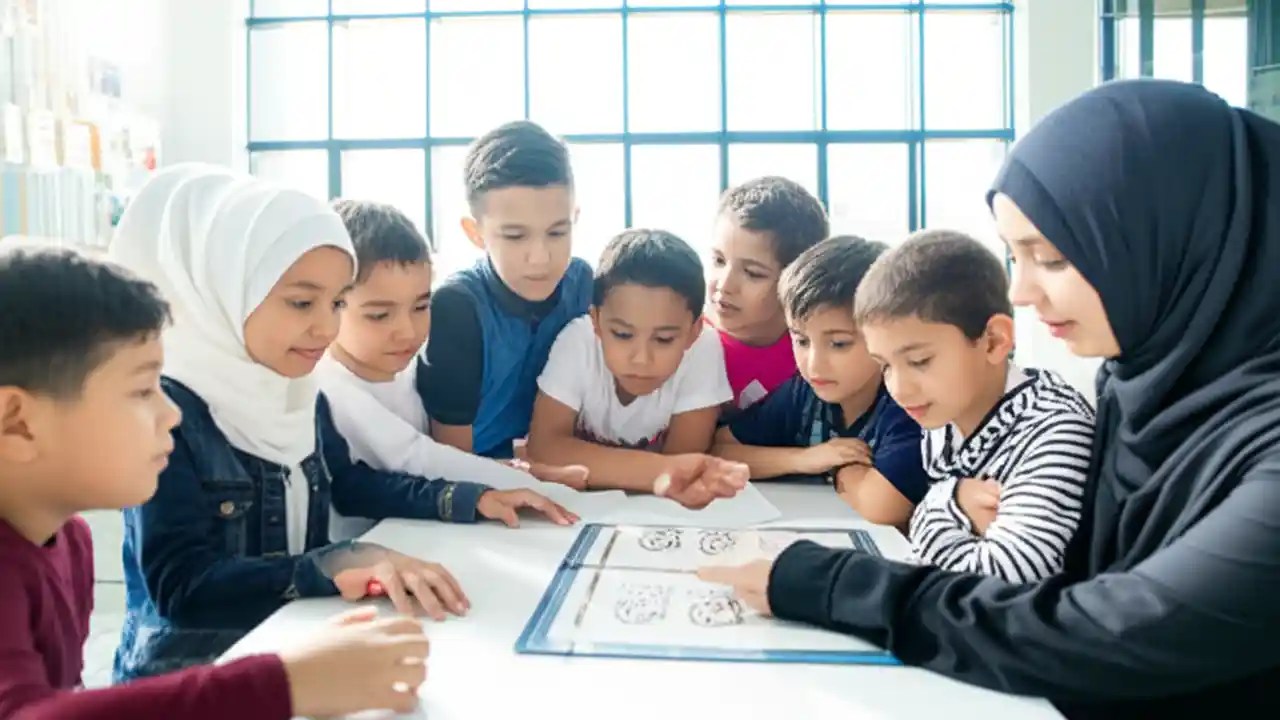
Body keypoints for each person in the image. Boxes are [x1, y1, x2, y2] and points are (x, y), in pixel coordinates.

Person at [696, 79, 1280, 718]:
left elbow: (1106, 633)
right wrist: (948, 500)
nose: (1022, 292)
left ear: (1173, 238)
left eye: (1051, 259)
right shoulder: (1144, 386)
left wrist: (831, 582)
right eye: (1015, 257)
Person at [109, 164, 570, 681]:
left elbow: (349, 484)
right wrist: (332, 563)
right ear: (225, 287)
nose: (326, 326)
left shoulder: (292, 387)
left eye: (334, 303)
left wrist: (467, 498)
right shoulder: (166, 414)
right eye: (302, 302)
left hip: (293, 655)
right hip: (193, 684)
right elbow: (182, 588)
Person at [0, 246, 431, 720]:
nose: (171, 414)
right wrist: (285, 684)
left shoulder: (65, 537)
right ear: (18, 423)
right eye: (143, 391)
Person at [318, 199, 586, 538]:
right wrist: (539, 486)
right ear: (328, 306)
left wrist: (526, 470)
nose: (408, 331)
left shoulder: (410, 367)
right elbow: (419, 460)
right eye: (379, 315)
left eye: (420, 306)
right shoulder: (327, 389)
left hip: (423, 536)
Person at [854, 230, 1094, 581]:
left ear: (994, 341)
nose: (899, 390)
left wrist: (938, 506)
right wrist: (953, 506)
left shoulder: (1055, 433)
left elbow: (1005, 581)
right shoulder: (946, 419)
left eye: (920, 361)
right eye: (885, 366)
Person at [711, 236, 929, 526]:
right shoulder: (805, 393)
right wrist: (806, 459)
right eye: (801, 340)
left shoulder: (904, 400)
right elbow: (718, 450)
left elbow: (882, 507)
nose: (814, 364)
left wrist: (839, 466)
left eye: (839, 344)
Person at [418, 121, 592, 459]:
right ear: (475, 232)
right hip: (477, 484)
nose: (540, 258)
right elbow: (452, 464)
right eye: (515, 236)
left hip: (565, 471)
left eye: (557, 233)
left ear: (575, 218)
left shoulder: (584, 285)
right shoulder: (456, 309)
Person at [527, 229, 741, 492]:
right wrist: (659, 470)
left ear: (693, 332)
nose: (641, 359)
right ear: (596, 322)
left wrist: (588, 467)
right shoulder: (577, 340)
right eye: (623, 335)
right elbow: (544, 447)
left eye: (663, 339)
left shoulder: (704, 347)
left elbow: (680, 468)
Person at [706, 177, 828, 413]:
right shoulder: (683, 342)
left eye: (752, 273)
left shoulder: (812, 354)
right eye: (718, 261)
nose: (725, 284)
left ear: (797, 280)